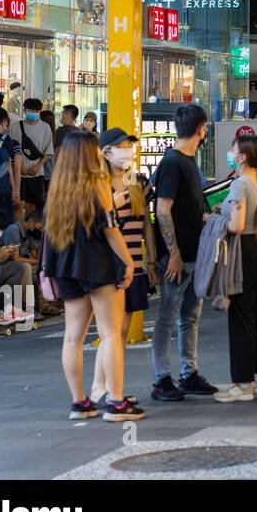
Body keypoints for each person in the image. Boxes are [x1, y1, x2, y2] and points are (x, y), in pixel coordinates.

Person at [43, 131, 142, 422]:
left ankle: (80, 403)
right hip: (98, 264)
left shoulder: (57, 189)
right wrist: (128, 262)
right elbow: (111, 231)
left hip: (66, 267)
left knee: (73, 337)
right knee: (110, 333)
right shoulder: (97, 185)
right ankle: (116, 402)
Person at [149, 104, 218, 402]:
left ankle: (188, 373)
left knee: (190, 316)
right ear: (201, 129)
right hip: (176, 257)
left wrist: (204, 217)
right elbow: (161, 209)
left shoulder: (189, 161)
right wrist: (173, 254)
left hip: (195, 253)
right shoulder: (173, 162)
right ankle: (161, 378)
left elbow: (181, 207)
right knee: (167, 316)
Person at [89, 128, 152, 409]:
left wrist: (150, 259)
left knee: (122, 331)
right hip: (111, 266)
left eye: (129, 145)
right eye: (122, 146)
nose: (128, 150)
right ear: (106, 152)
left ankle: (109, 389)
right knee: (113, 331)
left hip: (135, 263)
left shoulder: (137, 181)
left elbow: (146, 223)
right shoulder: (96, 185)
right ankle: (102, 390)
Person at [214, 135, 257, 403]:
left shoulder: (240, 184)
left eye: (233, 150)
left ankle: (242, 384)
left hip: (243, 251)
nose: (230, 153)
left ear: (243, 157)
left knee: (241, 318)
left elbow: (237, 225)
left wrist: (215, 219)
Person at [10, 98, 54, 213]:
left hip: (37, 174)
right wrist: (19, 166)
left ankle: (31, 230)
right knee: (17, 205)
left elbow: (48, 152)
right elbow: (10, 150)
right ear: (24, 110)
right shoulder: (14, 127)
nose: (33, 113)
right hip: (18, 175)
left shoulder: (45, 127)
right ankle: (19, 230)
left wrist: (37, 166)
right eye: (30, 111)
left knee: (33, 208)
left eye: (36, 111)